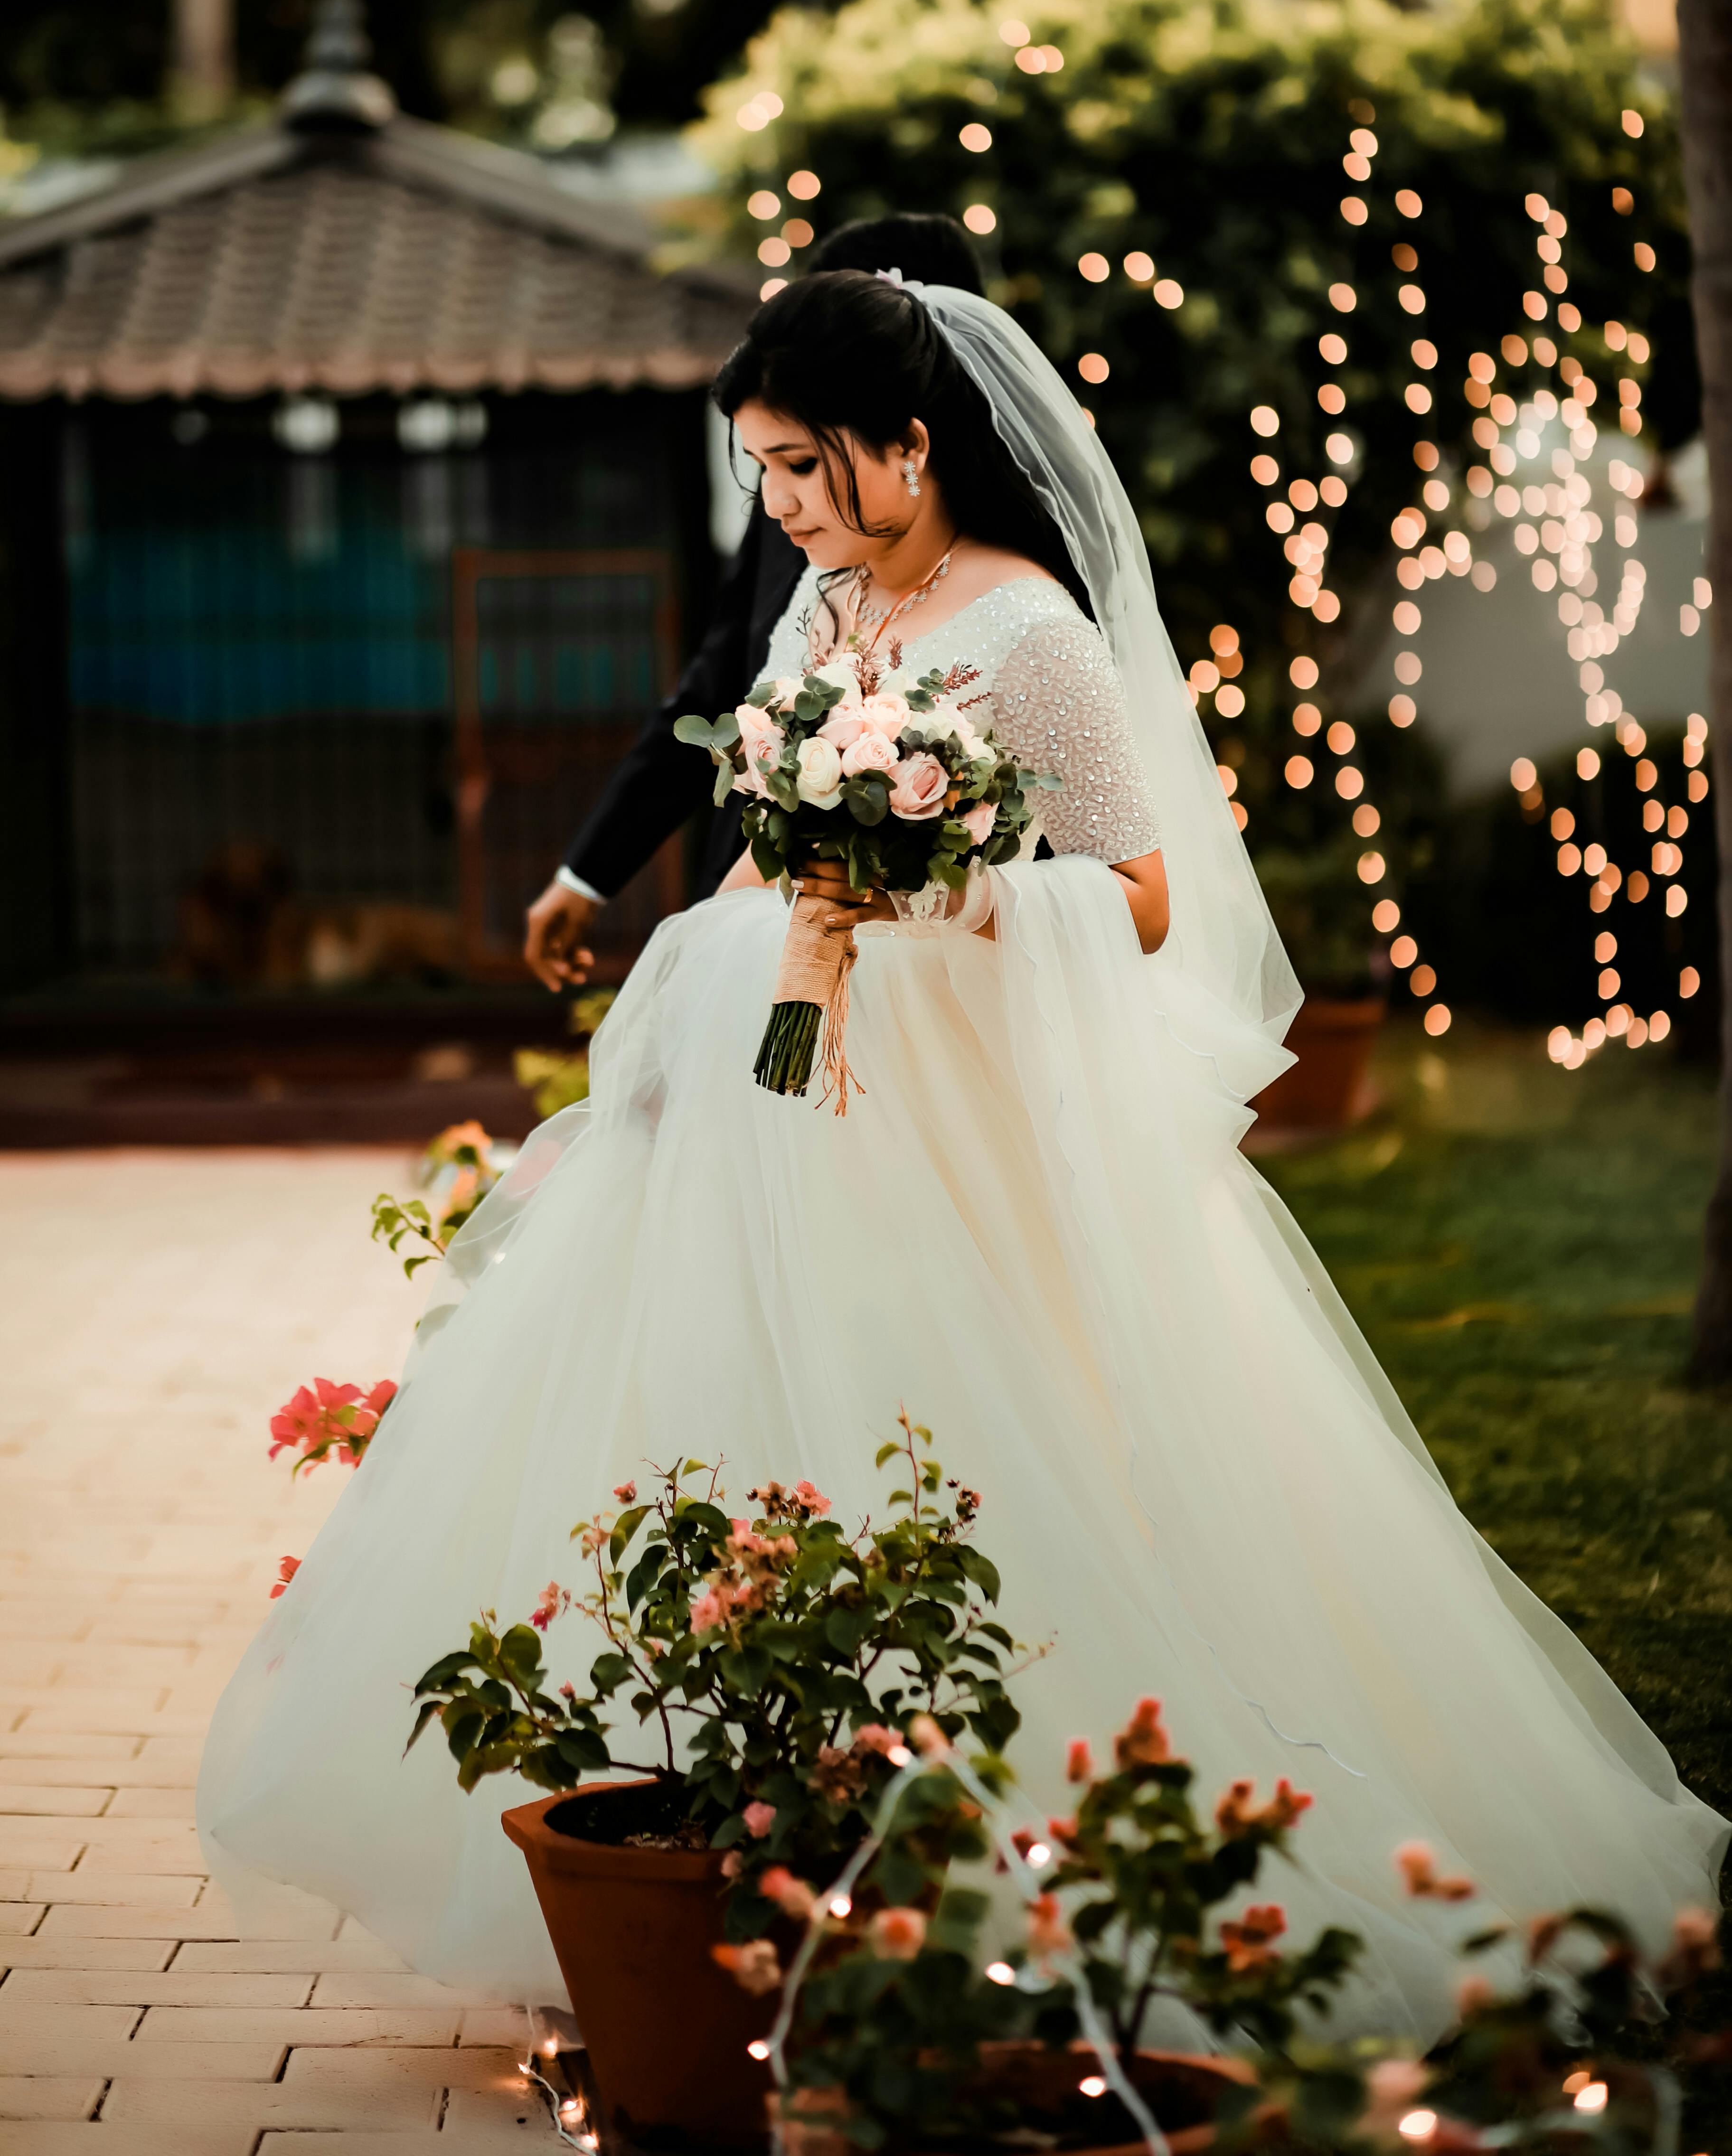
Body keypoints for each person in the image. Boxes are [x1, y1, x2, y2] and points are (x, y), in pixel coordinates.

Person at [199, 272, 1724, 2047]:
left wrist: (949, 890)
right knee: (729, 1420)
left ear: (907, 447)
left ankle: (973, 1864)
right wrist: (705, 987)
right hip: (776, 1089)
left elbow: (1140, 897)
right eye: (760, 472)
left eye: (799, 467)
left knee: (942, 1436)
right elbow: (763, 852)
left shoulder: (1032, 633)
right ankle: (730, 1849)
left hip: (947, 1125)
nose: (777, 506)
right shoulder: (825, 606)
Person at [522, 211, 988, 991]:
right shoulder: (796, 526)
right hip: (759, 937)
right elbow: (717, 691)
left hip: (945, 985)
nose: (779, 499)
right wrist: (593, 875)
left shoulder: (1022, 594)